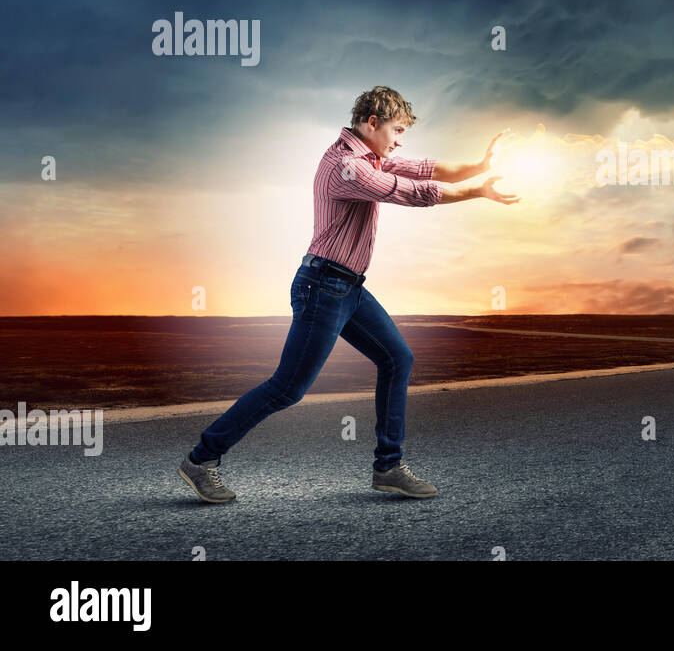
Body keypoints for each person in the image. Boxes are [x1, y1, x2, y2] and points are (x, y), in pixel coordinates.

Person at [178, 85, 519, 502]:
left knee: (398, 358)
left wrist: (481, 165)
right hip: (323, 286)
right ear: (371, 122)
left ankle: (389, 467)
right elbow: (411, 192)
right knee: (287, 389)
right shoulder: (347, 167)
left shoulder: (372, 156)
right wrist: (477, 191)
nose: (399, 140)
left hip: (349, 287)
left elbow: (427, 169)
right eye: (397, 129)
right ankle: (202, 458)